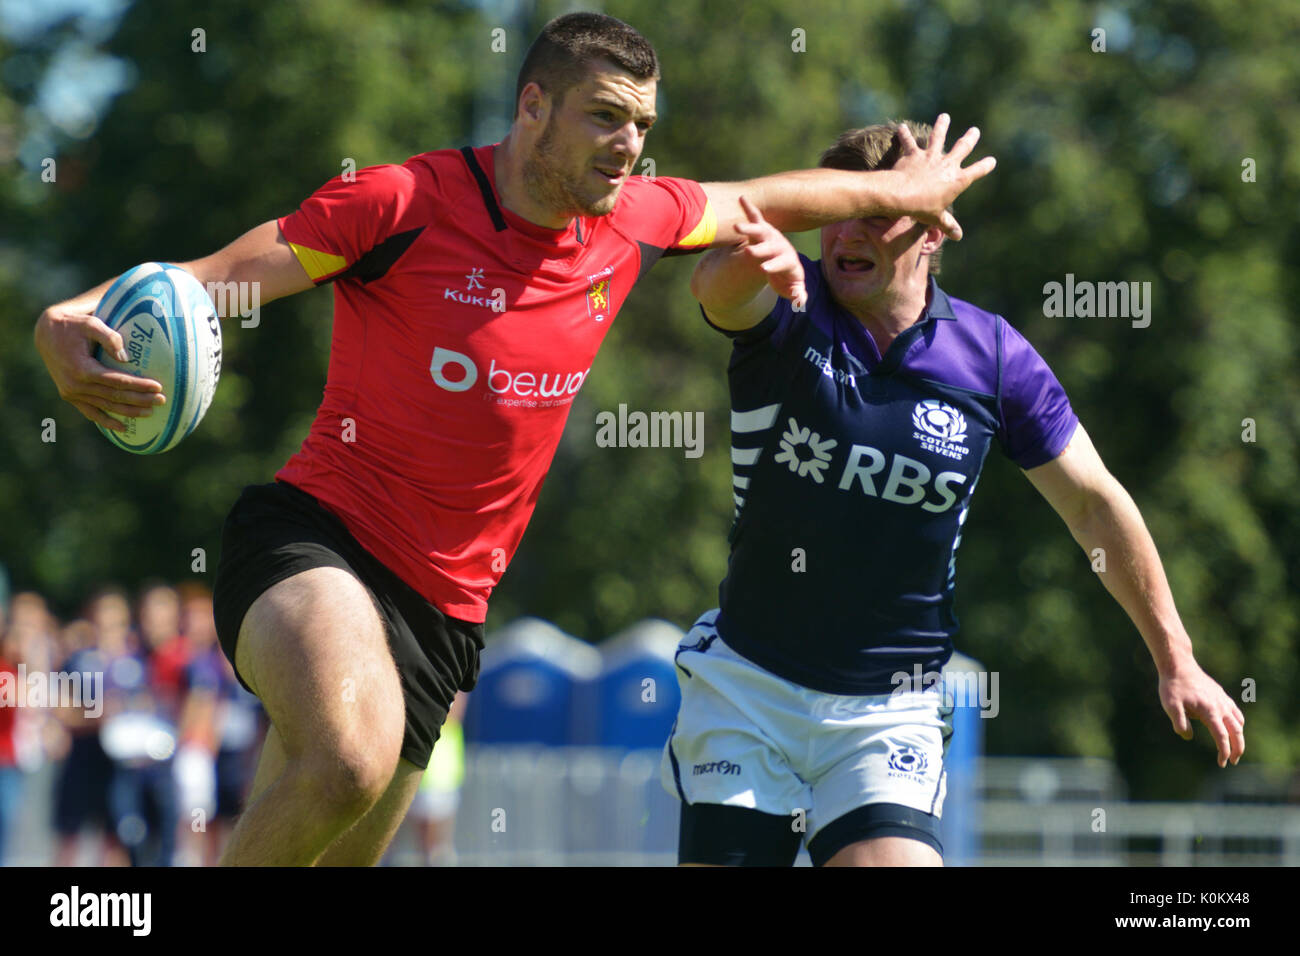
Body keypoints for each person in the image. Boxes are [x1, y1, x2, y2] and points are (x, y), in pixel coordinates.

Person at [33, 14, 993, 866]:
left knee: (331, 831)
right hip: (318, 539)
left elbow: (764, 197)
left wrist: (902, 193)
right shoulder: (398, 202)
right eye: (606, 117)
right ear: (532, 105)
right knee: (351, 762)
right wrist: (61, 321)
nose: (629, 146)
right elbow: (209, 279)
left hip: (446, 614)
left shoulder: (633, 225)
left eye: (643, 127)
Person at [663, 120, 1247, 867]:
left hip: (886, 709)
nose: (846, 230)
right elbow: (716, 290)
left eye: (879, 212)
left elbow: (1093, 503)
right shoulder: (792, 303)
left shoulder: (993, 358)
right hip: (749, 690)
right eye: (835, 208)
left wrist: (1176, 656)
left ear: (935, 230)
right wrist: (752, 260)